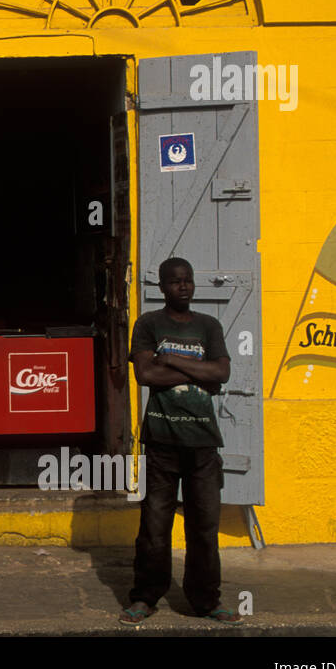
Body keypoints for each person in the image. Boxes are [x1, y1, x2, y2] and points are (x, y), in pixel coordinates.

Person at [120, 257, 240, 625]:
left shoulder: (209, 325)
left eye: (188, 280)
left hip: (203, 445)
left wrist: (171, 359)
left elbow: (222, 371)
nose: (183, 286)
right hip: (161, 442)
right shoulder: (149, 324)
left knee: (203, 527)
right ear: (162, 287)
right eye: (175, 282)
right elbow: (144, 373)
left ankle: (206, 601)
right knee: (155, 527)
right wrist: (199, 373)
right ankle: (145, 597)